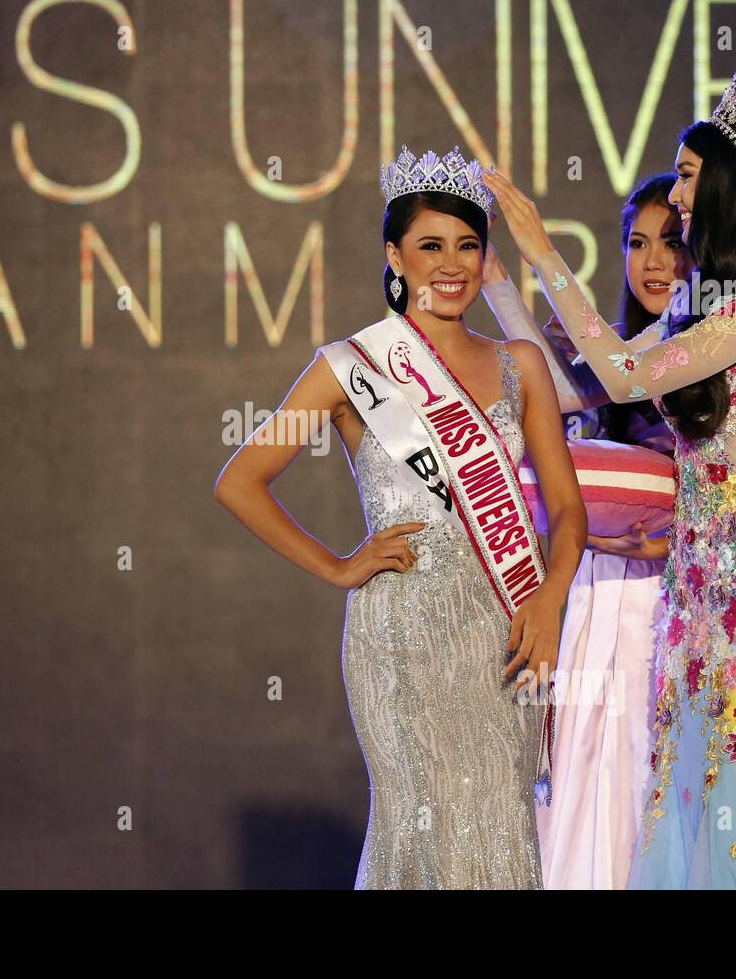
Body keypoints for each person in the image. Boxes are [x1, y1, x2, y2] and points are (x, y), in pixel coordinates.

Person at [483, 64, 736, 889]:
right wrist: (513, 283)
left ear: (723, 182)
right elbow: (602, 375)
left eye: (686, 176)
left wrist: (544, 250)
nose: (676, 195)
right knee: (689, 811)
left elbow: (615, 375)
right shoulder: (706, 312)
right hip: (691, 598)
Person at [214, 145, 587, 888]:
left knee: (498, 821)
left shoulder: (523, 363)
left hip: (505, 631)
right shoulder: (347, 368)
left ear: (484, 258)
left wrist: (550, 594)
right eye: (430, 246)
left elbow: (568, 506)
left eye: (467, 246)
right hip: (401, 641)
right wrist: (338, 565)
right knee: (423, 819)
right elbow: (241, 479)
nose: (451, 264)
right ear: (395, 254)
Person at [480, 173, 690, 888]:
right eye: (637, 243)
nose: (653, 261)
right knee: (585, 775)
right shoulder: (615, 352)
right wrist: (498, 278)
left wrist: (677, 537)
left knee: (643, 774)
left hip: (670, 608)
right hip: (596, 594)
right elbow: (555, 389)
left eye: (674, 242)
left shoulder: (703, 353)